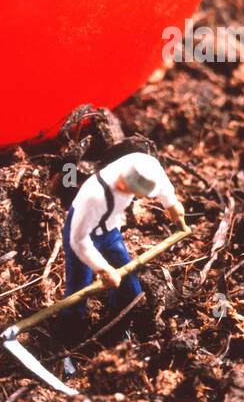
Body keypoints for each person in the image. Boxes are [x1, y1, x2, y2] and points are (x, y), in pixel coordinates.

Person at [62, 138, 184, 347]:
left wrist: (171, 203)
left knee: (129, 286)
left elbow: (161, 180)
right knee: (78, 290)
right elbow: (78, 240)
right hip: (83, 238)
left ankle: (116, 329)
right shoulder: (94, 196)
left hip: (109, 233)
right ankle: (69, 339)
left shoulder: (142, 163)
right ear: (124, 184)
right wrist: (102, 269)